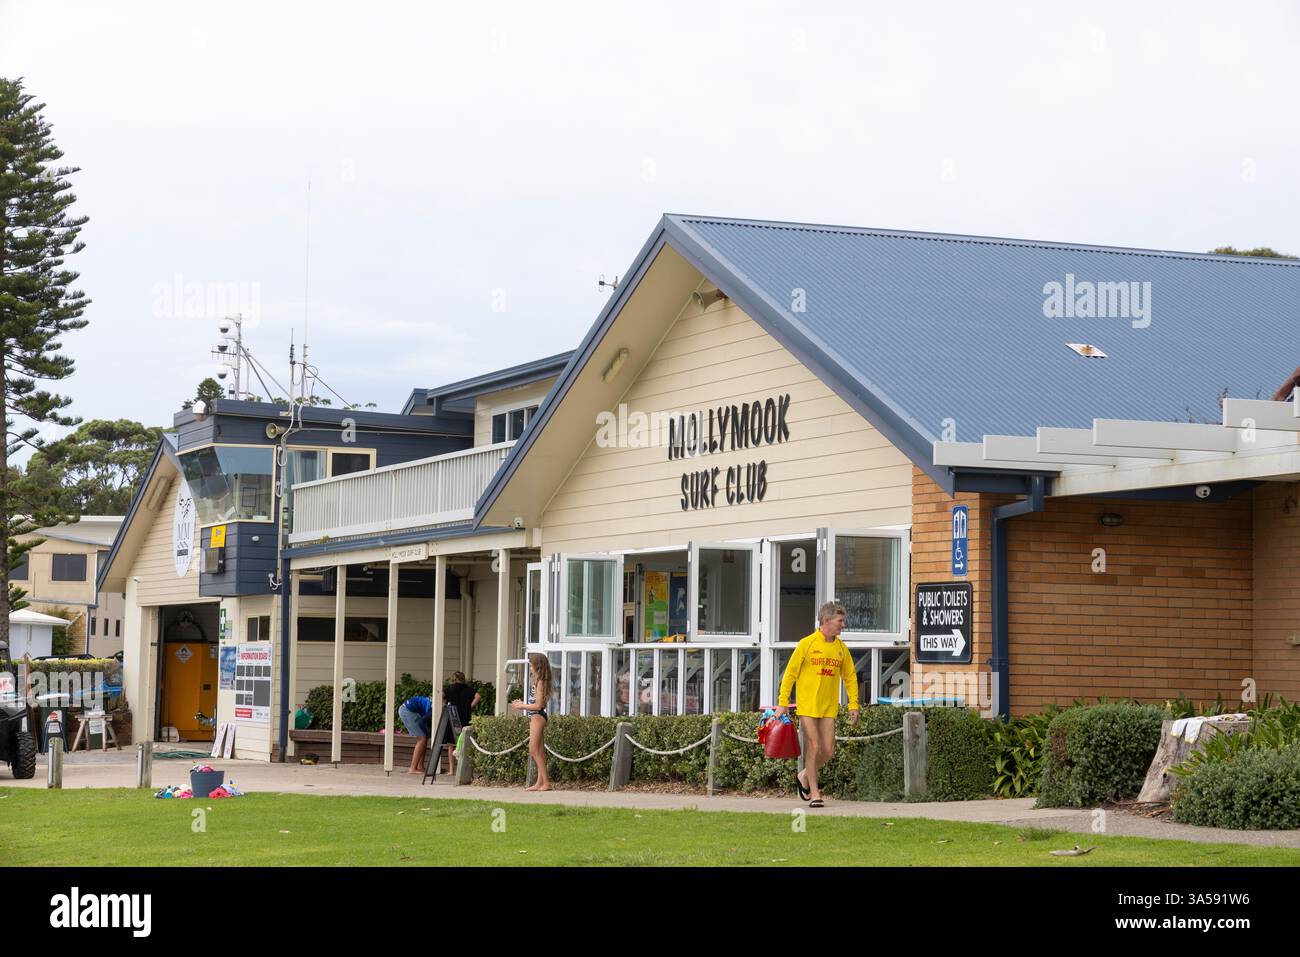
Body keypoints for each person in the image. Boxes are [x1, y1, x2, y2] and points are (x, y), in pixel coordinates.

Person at [775, 601, 859, 807]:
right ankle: (815, 794)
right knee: (813, 746)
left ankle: (804, 775)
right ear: (826, 621)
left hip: (829, 707)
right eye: (840, 621)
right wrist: (782, 702)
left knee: (828, 750)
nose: (843, 625)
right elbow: (790, 674)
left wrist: (853, 705)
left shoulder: (841, 648)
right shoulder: (807, 643)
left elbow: (850, 677)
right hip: (807, 706)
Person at [509, 653, 552, 791]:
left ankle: (546, 782)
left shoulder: (540, 683)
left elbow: (538, 705)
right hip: (537, 716)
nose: (530, 668)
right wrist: (523, 703)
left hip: (537, 717)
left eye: (531, 665)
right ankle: (540, 782)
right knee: (539, 750)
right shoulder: (540, 681)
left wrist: (521, 706)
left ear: (536, 666)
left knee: (533, 749)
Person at [440, 672, 481, 775]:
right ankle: (462, 769)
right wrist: (470, 706)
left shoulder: (449, 688)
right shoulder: (468, 689)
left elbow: (441, 695)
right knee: (464, 742)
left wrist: (444, 704)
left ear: (453, 678)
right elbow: (478, 697)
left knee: (451, 744)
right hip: (465, 717)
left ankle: (451, 770)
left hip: (452, 717)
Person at [398, 693, 433, 775]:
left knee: (425, 737)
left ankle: (420, 766)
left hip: (407, 709)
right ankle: (412, 768)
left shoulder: (430, 702)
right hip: (408, 711)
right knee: (422, 738)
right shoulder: (432, 707)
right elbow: (423, 721)